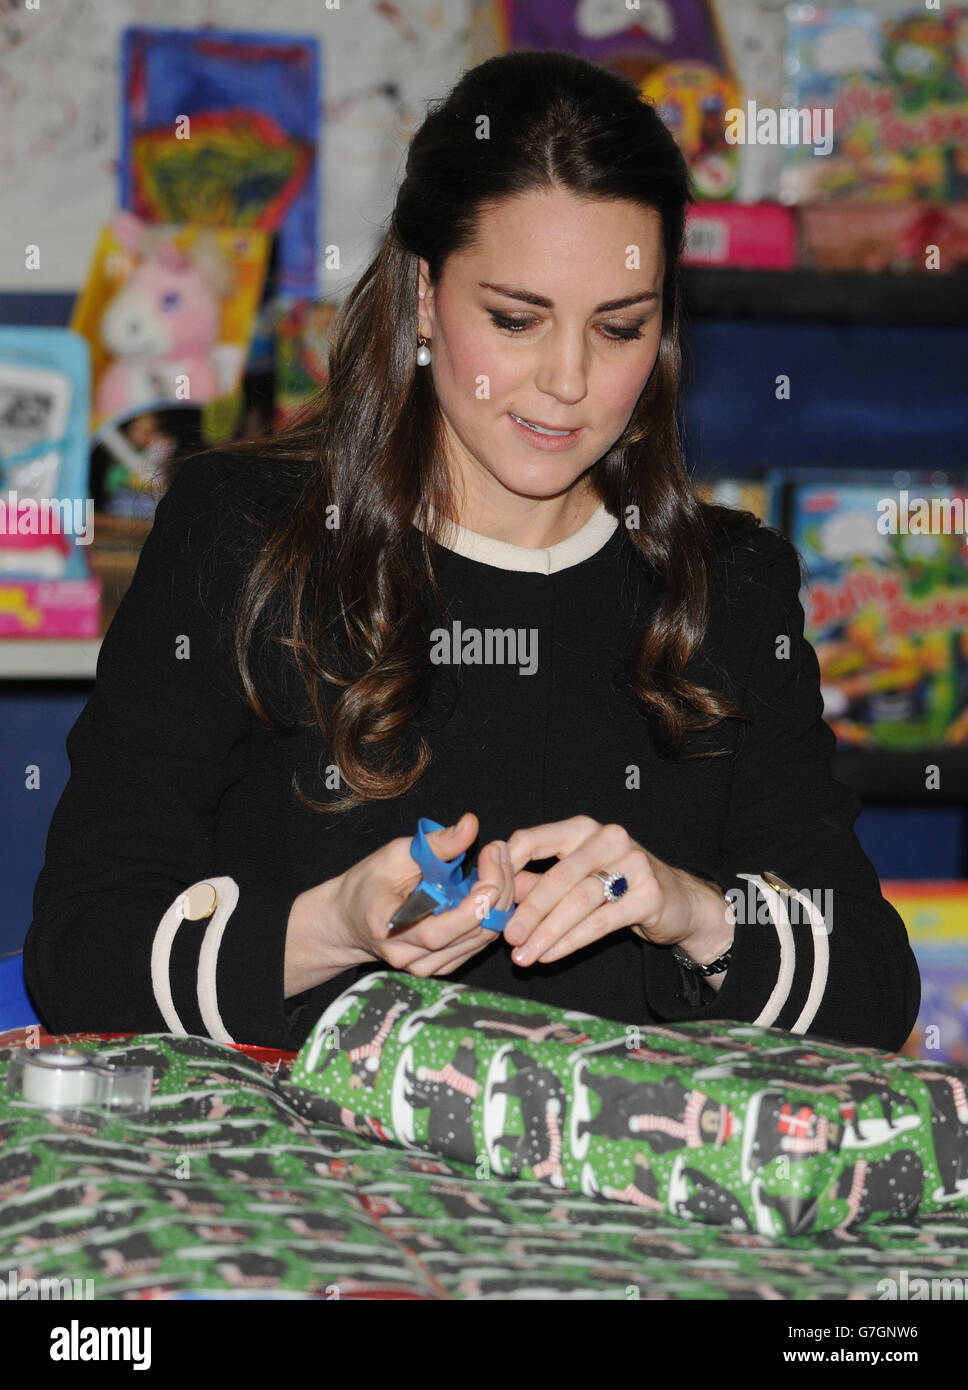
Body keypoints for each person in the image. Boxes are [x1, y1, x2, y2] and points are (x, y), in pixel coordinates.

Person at [25, 50, 920, 1054]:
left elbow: (873, 987)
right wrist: (331, 928)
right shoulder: (242, 533)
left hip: (617, 1208)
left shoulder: (730, 590)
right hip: (310, 1199)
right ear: (419, 294)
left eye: (618, 328)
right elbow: (79, 948)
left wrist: (692, 913)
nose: (568, 382)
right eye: (514, 319)